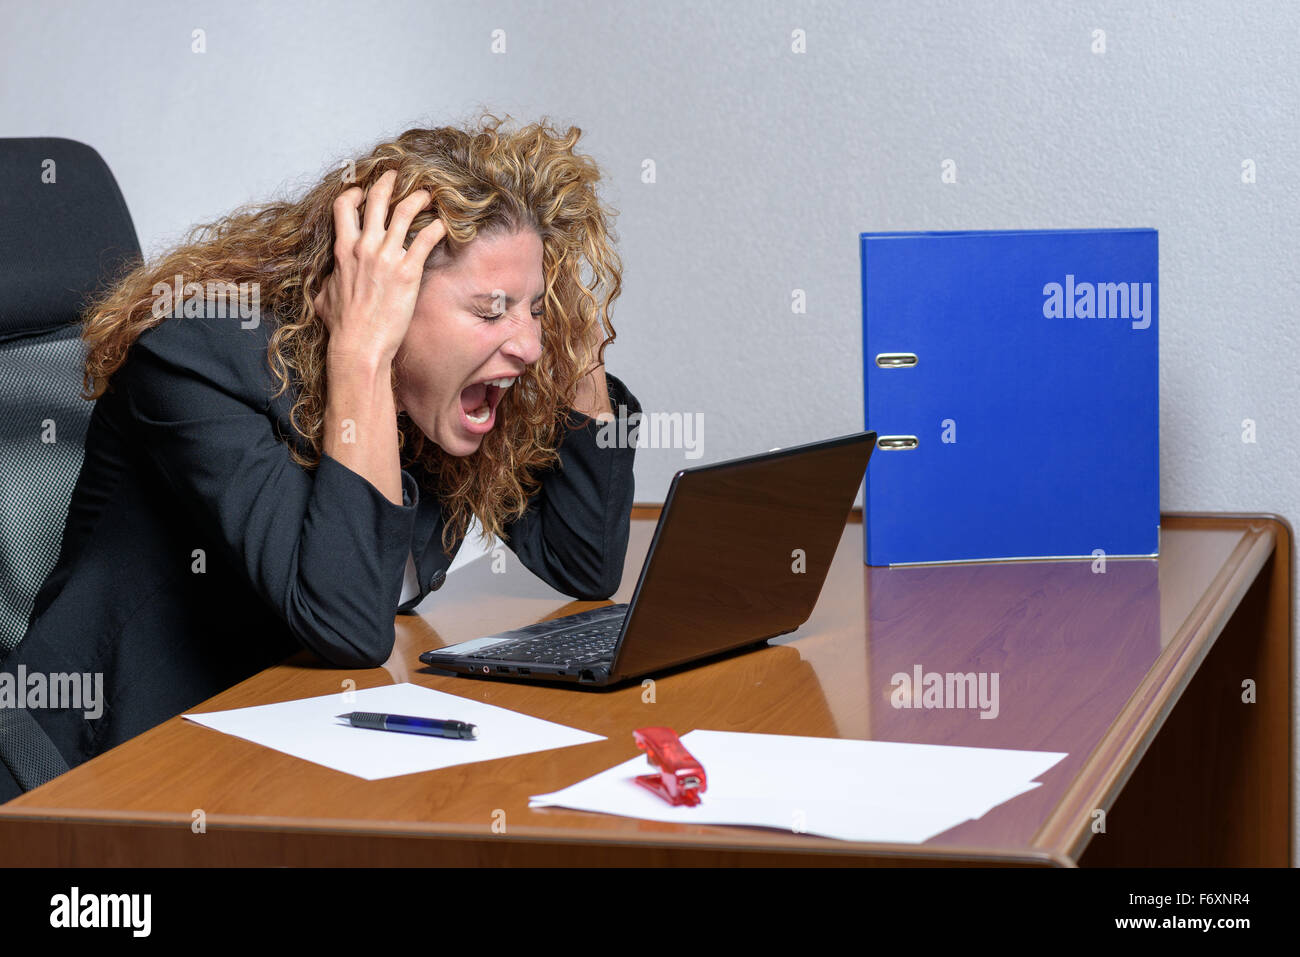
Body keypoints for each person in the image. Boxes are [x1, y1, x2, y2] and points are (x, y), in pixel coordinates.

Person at [0, 113, 641, 800]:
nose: (528, 345)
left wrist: (574, 334)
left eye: (532, 309)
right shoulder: (192, 357)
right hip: (99, 768)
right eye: (489, 311)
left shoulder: (443, 394)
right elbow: (348, 623)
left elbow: (585, 561)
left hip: (274, 742)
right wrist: (362, 353)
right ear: (380, 296)